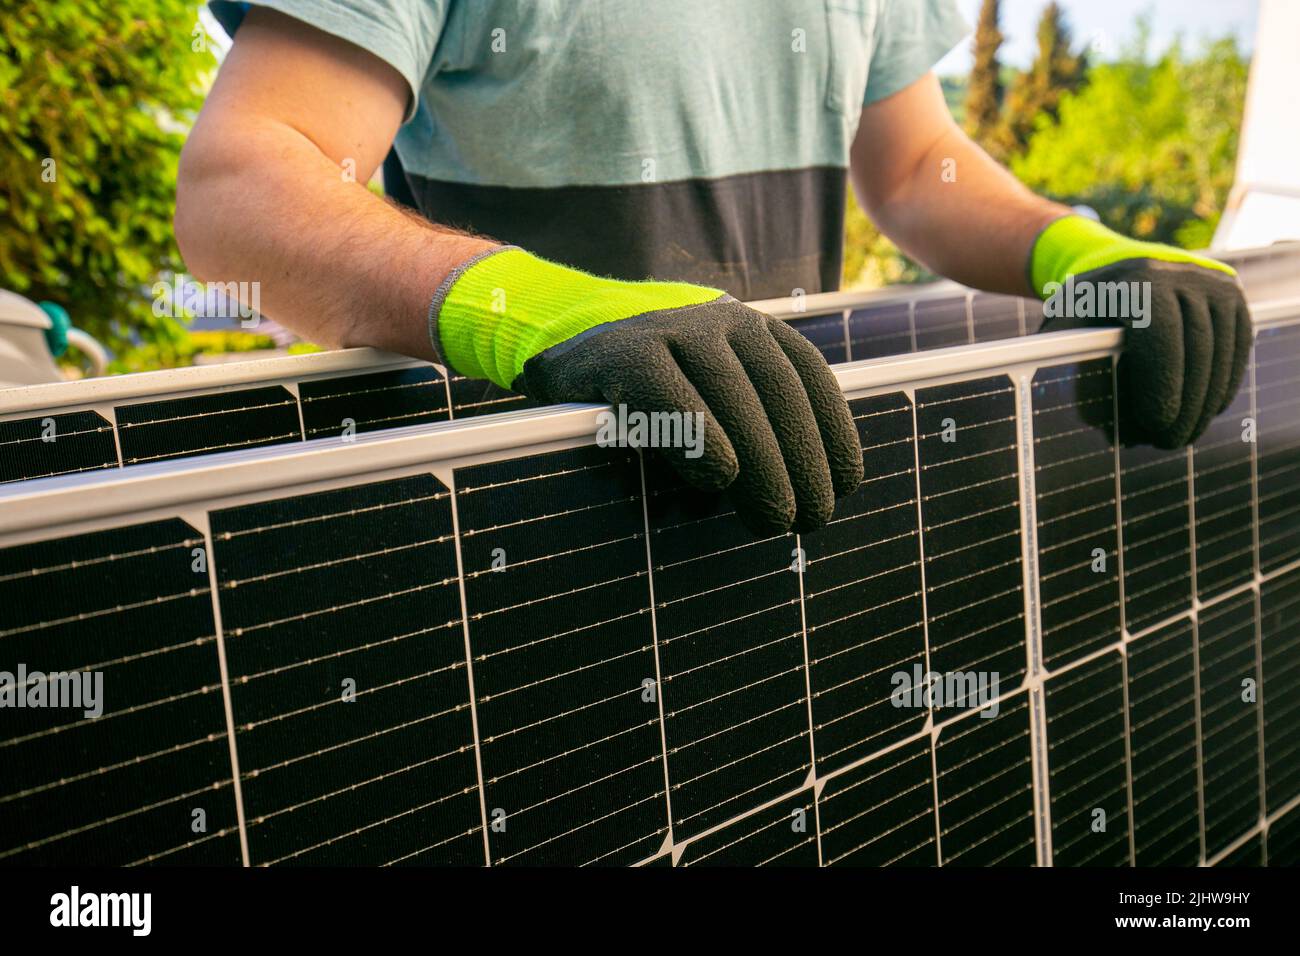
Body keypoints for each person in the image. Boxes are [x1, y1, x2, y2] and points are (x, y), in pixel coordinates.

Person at [179, 1, 1251, 535]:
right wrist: (542, 314)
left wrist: (1088, 251)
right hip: (526, 536)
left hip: (782, 488)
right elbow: (240, 191)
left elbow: (916, 169)